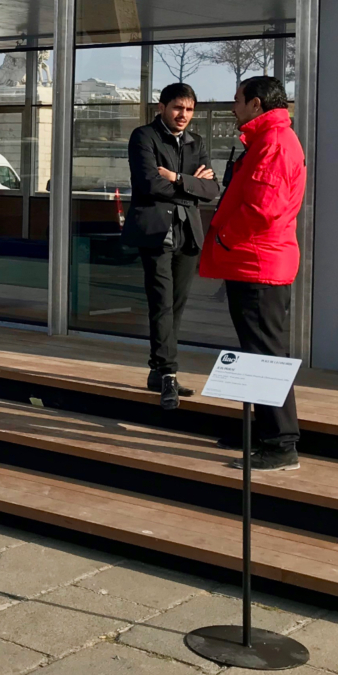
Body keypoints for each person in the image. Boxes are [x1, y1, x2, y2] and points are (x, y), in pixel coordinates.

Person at [199, 75, 307, 471]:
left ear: (256, 104)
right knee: (257, 350)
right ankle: (264, 431)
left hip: (258, 261)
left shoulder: (275, 143)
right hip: (254, 259)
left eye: (237, 100)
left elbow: (264, 208)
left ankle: (280, 443)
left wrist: (225, 237)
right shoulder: (267, 139)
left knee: (265, 354)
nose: (233, 107)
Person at [123, 83, 220, 408]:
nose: (184, 115)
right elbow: (149, 183)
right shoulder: (143, 137)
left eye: (189, 109)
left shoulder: (197, 142)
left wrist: (177, 178)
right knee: (162, 301)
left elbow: (212, 190)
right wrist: (192, 184)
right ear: (161, 107)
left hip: (188, 233)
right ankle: (168, 374)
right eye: (178, 107)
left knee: (176, 305)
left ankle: (157, 370)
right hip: (156, 232)